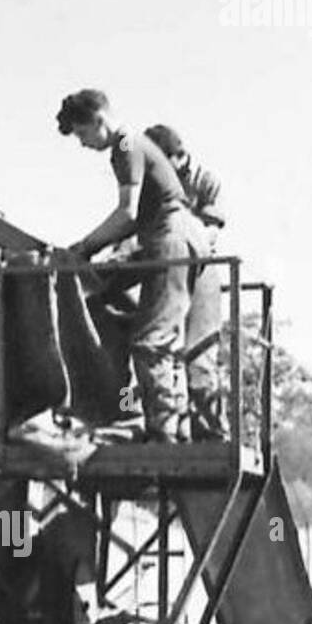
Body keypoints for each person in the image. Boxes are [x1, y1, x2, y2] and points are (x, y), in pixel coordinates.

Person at [56, 88, 199, 442]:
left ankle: (164, 434)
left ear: (100, 120)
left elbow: (127, 214)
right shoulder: (128, 147)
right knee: (114, 305)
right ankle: (135, 409)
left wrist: (84, 248)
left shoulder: (125, 145)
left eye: (83, 133)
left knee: (151, 342)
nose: (83, 143)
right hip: (166, 239)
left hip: (170, 239)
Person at [144, 123, 227, 439]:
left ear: (177, 157)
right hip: (168, 269)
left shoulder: (206, 181)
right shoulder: (152, 185)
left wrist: (178, 233)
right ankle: (168, 431)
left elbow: (208, 234)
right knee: (160, 353)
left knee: (200, 363)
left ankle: (213, 436)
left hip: (202, 270)